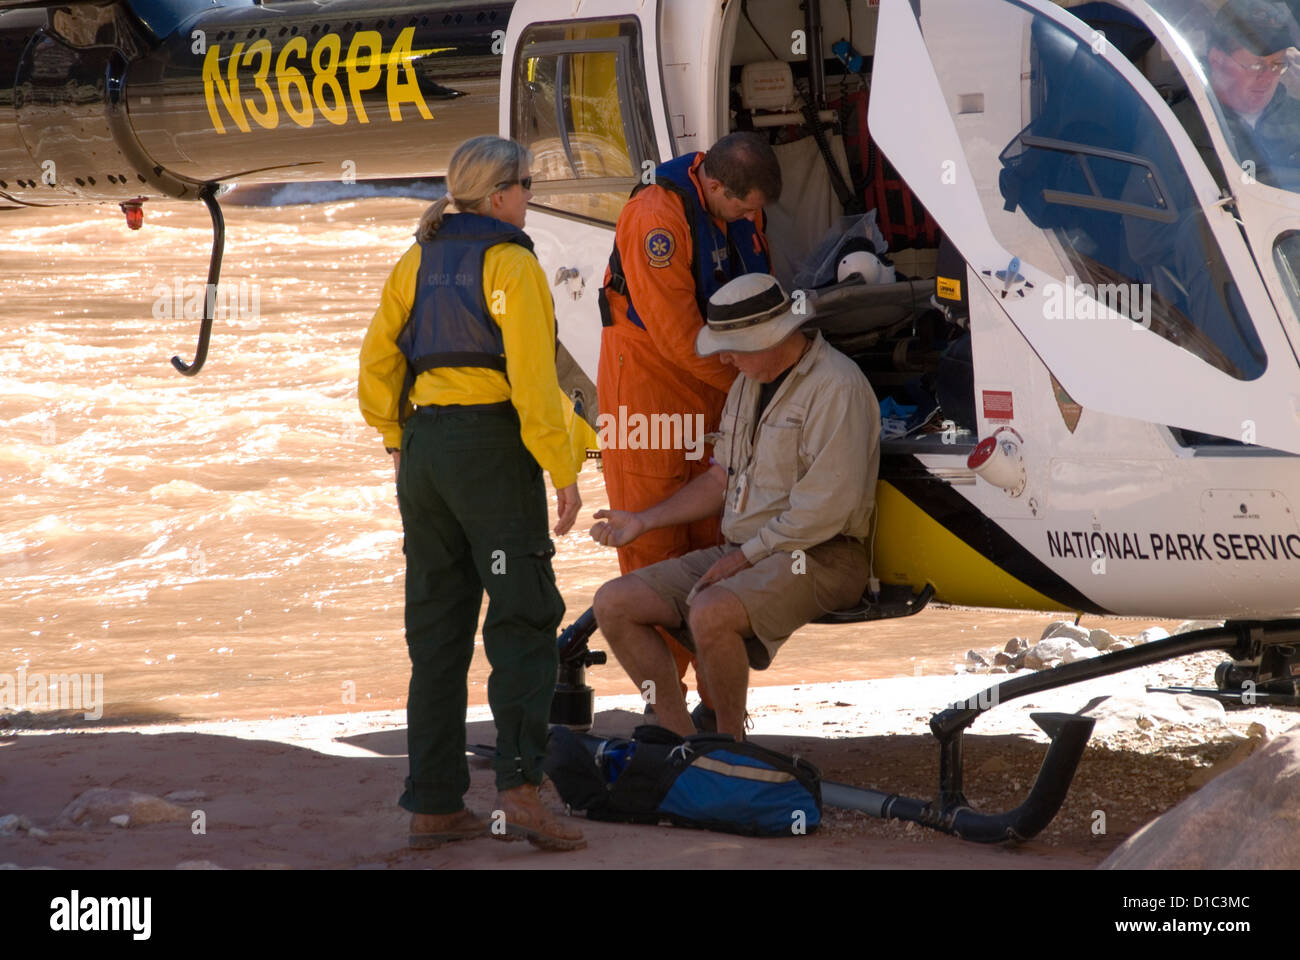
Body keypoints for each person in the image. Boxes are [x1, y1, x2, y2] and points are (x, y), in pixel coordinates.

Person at [358, 135, 585, 852]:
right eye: (524, 184)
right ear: (498, 196)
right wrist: (564, 469)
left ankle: (432, 805)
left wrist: (397, 439)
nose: (529, 196)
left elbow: (377, 358)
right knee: (523, 618)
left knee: (437, 630)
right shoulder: (512, 264)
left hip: (424, 452)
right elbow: (534, 383)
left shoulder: (416, 259)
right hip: (490, 451)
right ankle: (521, 790)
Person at [590, 273, 880, 739]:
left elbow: (824, 512)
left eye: (733, 347)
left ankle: (729, 747)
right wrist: (642, 521)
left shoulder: (837, 386)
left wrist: (740, 560)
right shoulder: (749, 382)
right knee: (614, 602)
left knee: (711, 610)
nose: (723, 358)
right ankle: (679, 740)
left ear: (774, 338)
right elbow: (719, 479)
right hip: (749, 547)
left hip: (823, 555)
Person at [597, 131, 782, 727]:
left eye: (757, 209)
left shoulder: (737, 213)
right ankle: (663, 715)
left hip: (714, 391)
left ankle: (718, 711)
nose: (752, 218)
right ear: (715, 185)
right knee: (652, 553)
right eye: (744, 206)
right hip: (648, 396)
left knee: (715, 548)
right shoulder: (656, 217)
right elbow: (679, 338)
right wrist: (761, 384)